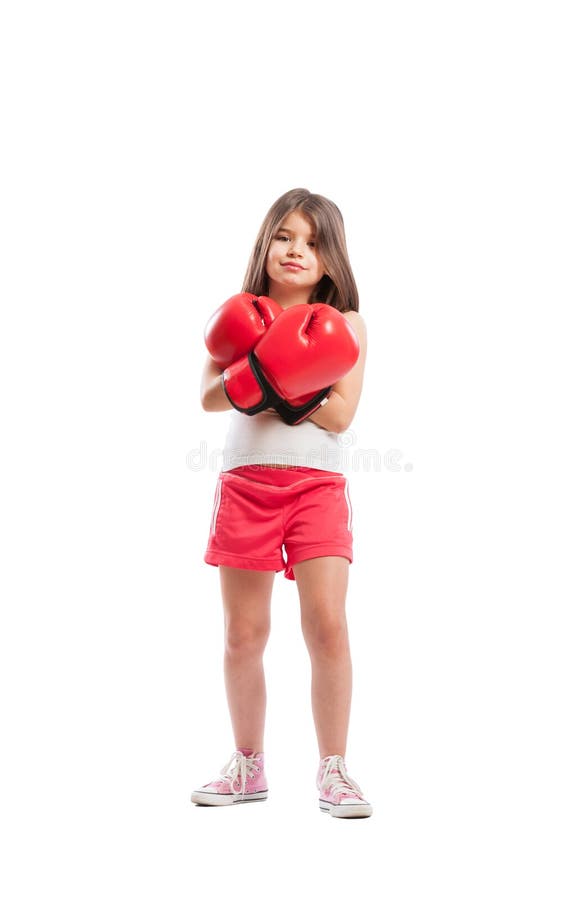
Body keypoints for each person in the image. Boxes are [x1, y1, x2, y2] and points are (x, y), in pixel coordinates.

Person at [191, 188, 372, 818]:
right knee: (244, 634)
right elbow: (211, 398)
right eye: (285, 236)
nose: (296, 250)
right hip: (246, 484)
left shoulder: (346, 325)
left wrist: (291, 381)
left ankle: (334, 770)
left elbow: (343, 416)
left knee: (327, 626)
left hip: (317, 487)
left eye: (312, 241)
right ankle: (247, 766)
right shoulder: (242, 316)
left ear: (331, 260)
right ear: (266, 244)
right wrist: (262, 368)